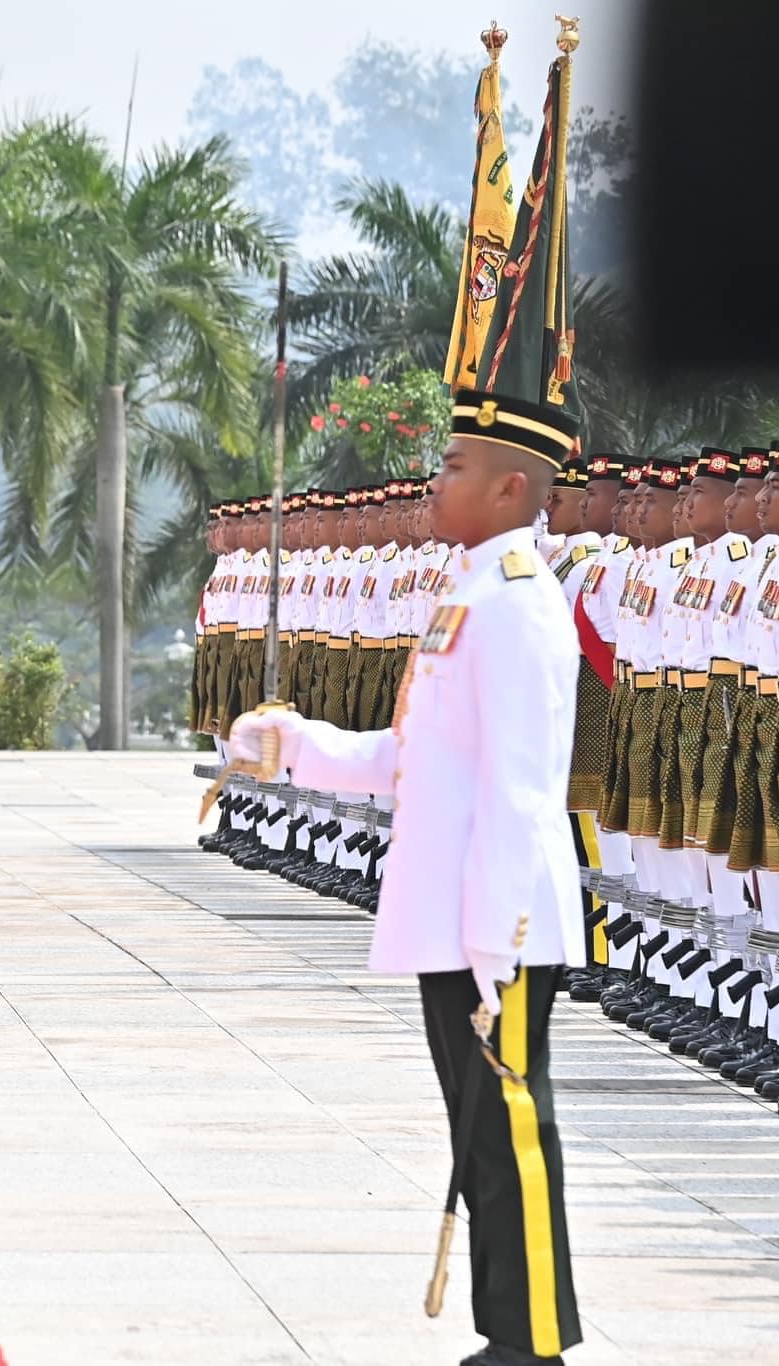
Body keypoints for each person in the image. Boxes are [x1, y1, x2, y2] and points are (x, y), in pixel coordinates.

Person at [229, 389, 586, 1366]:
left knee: (508, 1130)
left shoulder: (516, 601)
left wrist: (498, 943)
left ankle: (531, 1345)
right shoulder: (469, 592)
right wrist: (296, 746)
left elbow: (518, 784)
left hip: (494, 926)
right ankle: (506, 1334)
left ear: (512, 488)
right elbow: (417, 757)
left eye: (458, 465)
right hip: (454, 918)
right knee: (478, 1137)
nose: (438, 479)